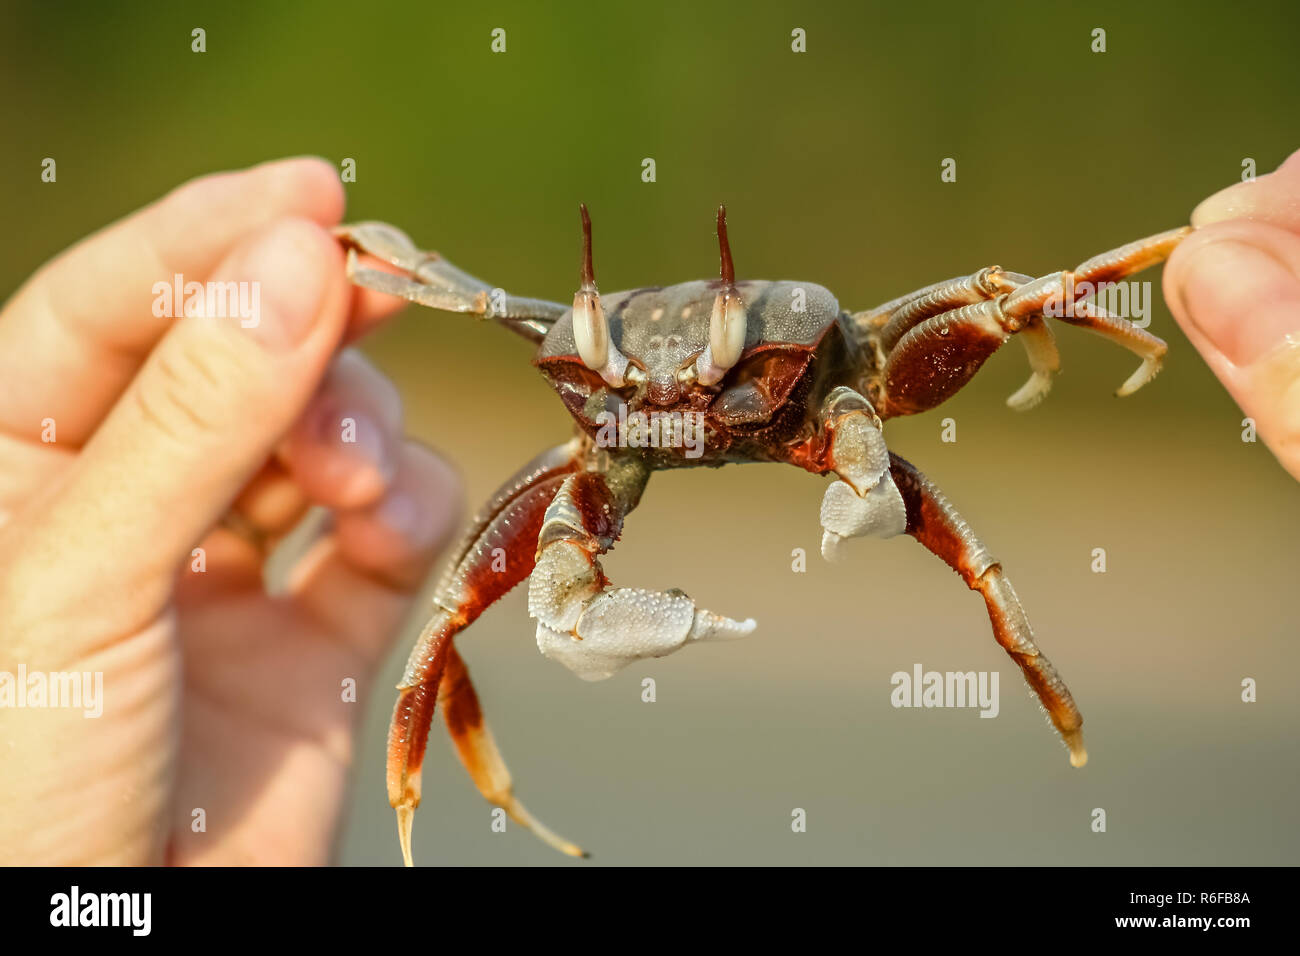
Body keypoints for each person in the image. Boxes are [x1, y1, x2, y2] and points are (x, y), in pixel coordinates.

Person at [0, 153, 1296, 865]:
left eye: (719, 367)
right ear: (584, 365)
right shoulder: (615, 414)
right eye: (623, 373)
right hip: (617, 450)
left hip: (821, 409)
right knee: (445, 614)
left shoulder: (832, 362)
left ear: (772, 343)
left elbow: (1006, 287)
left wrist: (1067, 320)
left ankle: (1051, 694)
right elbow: (453, 290)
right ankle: (455, 809)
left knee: (988, 515)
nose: (681, 394)